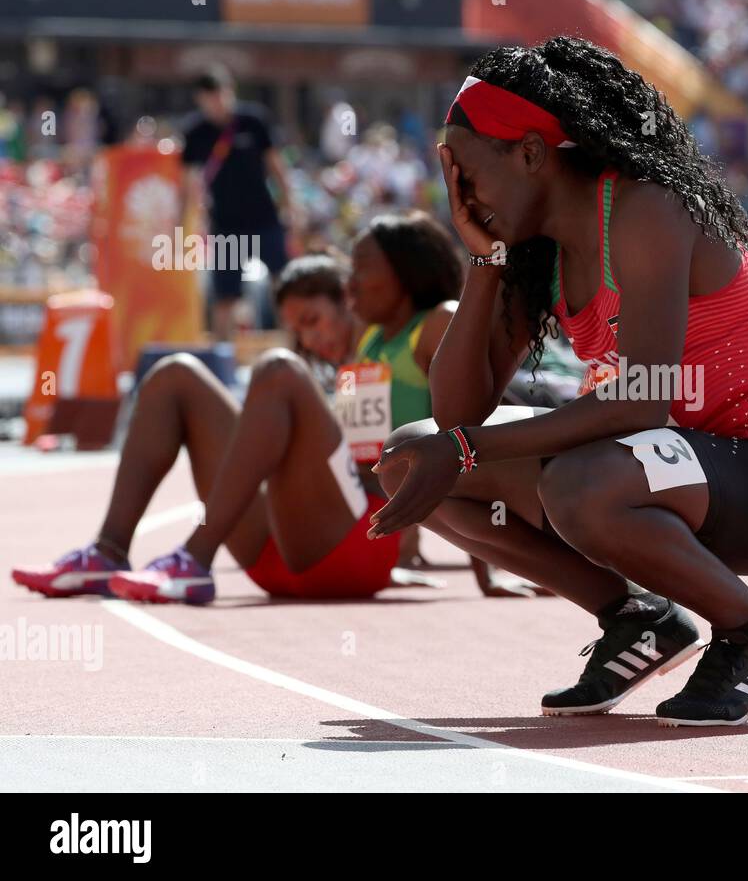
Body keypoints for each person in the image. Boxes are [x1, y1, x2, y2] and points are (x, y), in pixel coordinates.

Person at [368, 37, 748, 727]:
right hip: (662, 473)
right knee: (412, 457)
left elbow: (642, 396)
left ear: (531, 153)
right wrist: (483, 260)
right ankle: (636, 618)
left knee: (580, 482)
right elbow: (456, 417)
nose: (461, 197)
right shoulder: (537, 256)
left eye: (467, 175)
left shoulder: (644, 208)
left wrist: (470, 446)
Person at [12, 215, 470, 603]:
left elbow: (472, 430)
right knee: (176, 375)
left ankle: (194, 557)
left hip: (359, 544)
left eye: (361, 268)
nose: (349, 281)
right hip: (280, 554)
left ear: (403, 271)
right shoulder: (370, 342)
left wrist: (486, 563)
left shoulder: (436, 324)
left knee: (278, 369)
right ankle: (108, 550)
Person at [179, 64, 295, 342]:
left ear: (230, 91)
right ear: (201, 99)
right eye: (211, 97)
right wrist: (185, 223)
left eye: (221, 94)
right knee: (225, 297)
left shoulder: (253, 122)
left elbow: (276, 167)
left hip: (264, 217)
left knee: (283, 286)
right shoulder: (196, 132)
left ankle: (295, 347)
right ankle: (223, 361)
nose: (217, 102)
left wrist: (290, 206)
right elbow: (188, 183)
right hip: (226, 224)